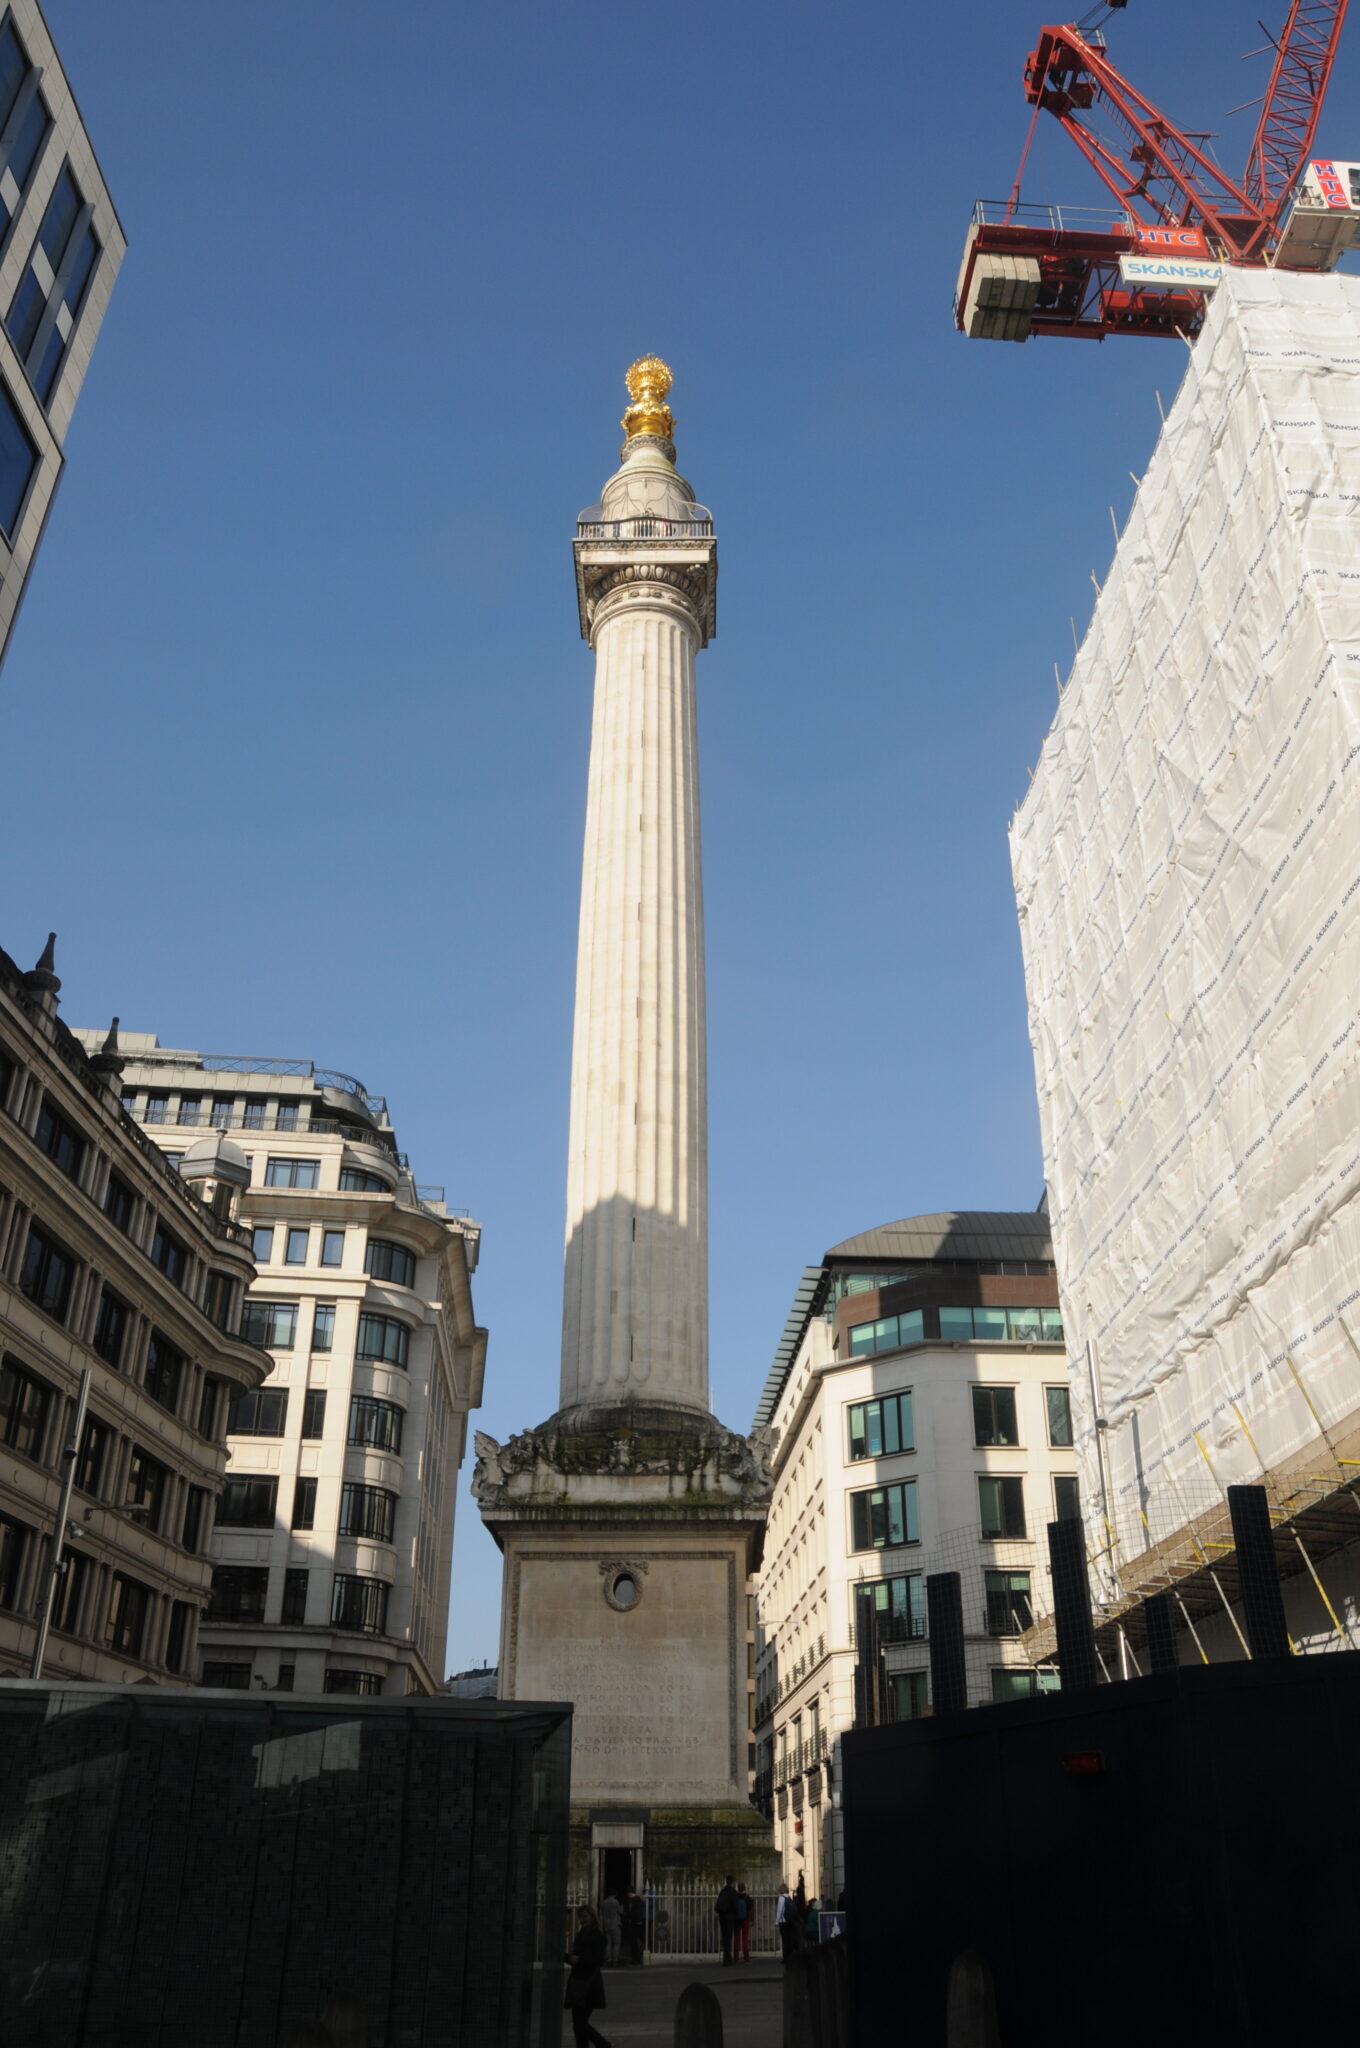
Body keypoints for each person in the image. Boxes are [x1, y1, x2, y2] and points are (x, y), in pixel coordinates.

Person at [564, 1906, 611, 2048]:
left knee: (580, 2023)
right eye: (580, 1917)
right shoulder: (581, 1934)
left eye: (584, 1916)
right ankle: (601, 2045)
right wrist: (568, 1957)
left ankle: (602, 2044)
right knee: (579, 2023)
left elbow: (597, 1960)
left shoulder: (598, 1936)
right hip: (578, 1981)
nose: (582, 1920)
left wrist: (579, 1960)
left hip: (589, 1983)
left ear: (592, 1917)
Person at [715, 1875, 740, 1965]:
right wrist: (736, 1917)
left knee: (725, 1938)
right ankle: (727, 1960)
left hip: (722, 1917)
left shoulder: (723, 1891)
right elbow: (736, 1906)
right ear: (733, 1882)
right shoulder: (733, 1892)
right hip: (729, 1918)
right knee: (728, 1939)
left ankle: (727, 1959)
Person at [775, 1881, 799, 1963]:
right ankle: (791, 1956)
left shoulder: (781, 1898)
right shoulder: (788, 1898)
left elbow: (779, 1910)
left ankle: (786, 1958)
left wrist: (777, 1921)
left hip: (783, 1922)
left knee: (785, 1941)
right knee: (789, 1939)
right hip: (790, 1921)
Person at [600, 1890, 622, 1967]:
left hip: (606, 1925)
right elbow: (620, 1911)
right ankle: (615, 1960)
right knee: (616, 1943)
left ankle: (608, 1960)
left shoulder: (603, 1902)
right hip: (615, 1924)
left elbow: (601, 1913)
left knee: (608, 1944)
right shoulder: (615, 1902)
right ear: (614, 1895)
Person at [625, 1889, 646, 1964]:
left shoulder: (634, 1901)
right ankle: (638, 1958)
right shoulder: (639, 1900)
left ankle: (635, 1959)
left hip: (635, 1923)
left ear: (630, 1893)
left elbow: (633, 1913)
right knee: (638, 1941)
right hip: (639, 1923)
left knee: (633, 1942)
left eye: (628, 1894)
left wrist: (627, 1915)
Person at [734, 1883, 752, 1963]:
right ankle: (746, 1957)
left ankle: (736, 1957)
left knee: (736, 1939)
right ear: (744, 1888)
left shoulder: (735, 1897)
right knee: (745, 1939)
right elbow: (750, 1908)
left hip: (737, 1920)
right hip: (745, 1920)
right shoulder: (747, 1898)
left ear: (738, 1888)